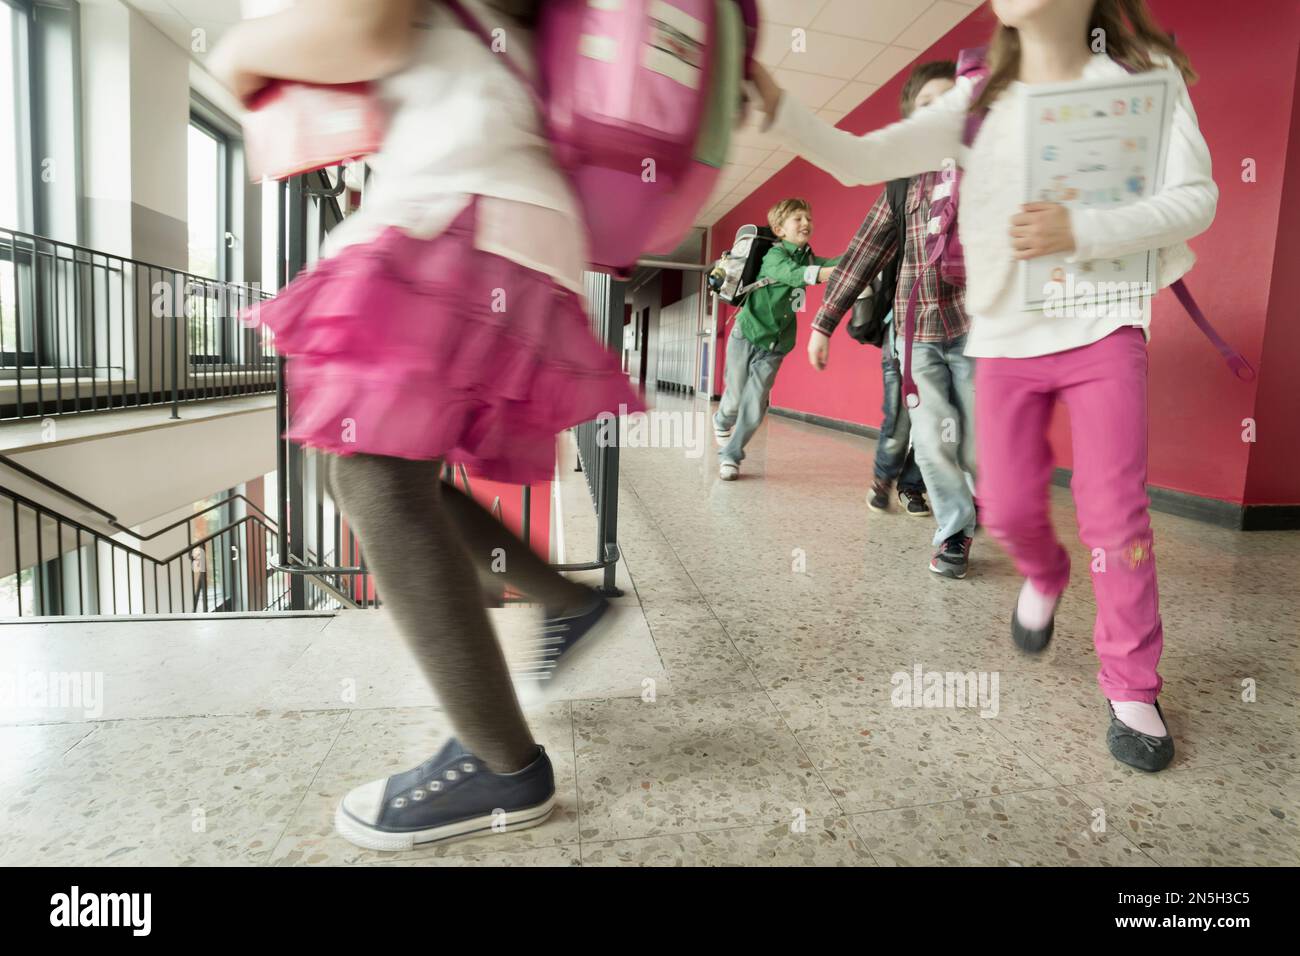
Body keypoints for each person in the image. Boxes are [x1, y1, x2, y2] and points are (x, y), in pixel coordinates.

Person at [210, 0, 645, 850]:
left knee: (371, 473)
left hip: (458, 204)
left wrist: (237, 53)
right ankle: (570, 605)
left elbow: (363, 31)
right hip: (521, 220)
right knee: (386, 468)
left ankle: (500, 764)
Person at [751, 0, 1217, 772]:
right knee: (1002, 501)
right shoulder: (980, 99)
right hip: (1003, 336)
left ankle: (1132, 683)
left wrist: (1082, 230)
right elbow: (860, 159)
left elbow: (1198, 198)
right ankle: (1045, 571)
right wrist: (778, 109)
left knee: (1116, 514)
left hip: (1104, 323)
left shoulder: (1143, 75)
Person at [813, 62, 973, 559]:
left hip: (978, 331)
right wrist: (823, 322)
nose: (941, 114)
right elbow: (863, 252)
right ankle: (954, 531)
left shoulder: (986, 173)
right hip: (916, 335)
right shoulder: (903, 184)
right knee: (928, 438)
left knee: (980, 443)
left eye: (952, 101)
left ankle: (979, 498)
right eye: (928, 106)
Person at [714, 198, 842, 480]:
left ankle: (731, 456)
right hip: (746, 334)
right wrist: (835, 273)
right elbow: (795, 276)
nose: (806, 223)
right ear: (779, 229)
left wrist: (859, 259)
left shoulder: (807, 256)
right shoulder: (773, 256)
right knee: (734, 397)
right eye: (798, 218)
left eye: (808, 217)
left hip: (776, 346)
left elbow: (833, 263)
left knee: (755, 403)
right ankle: (722, 419)